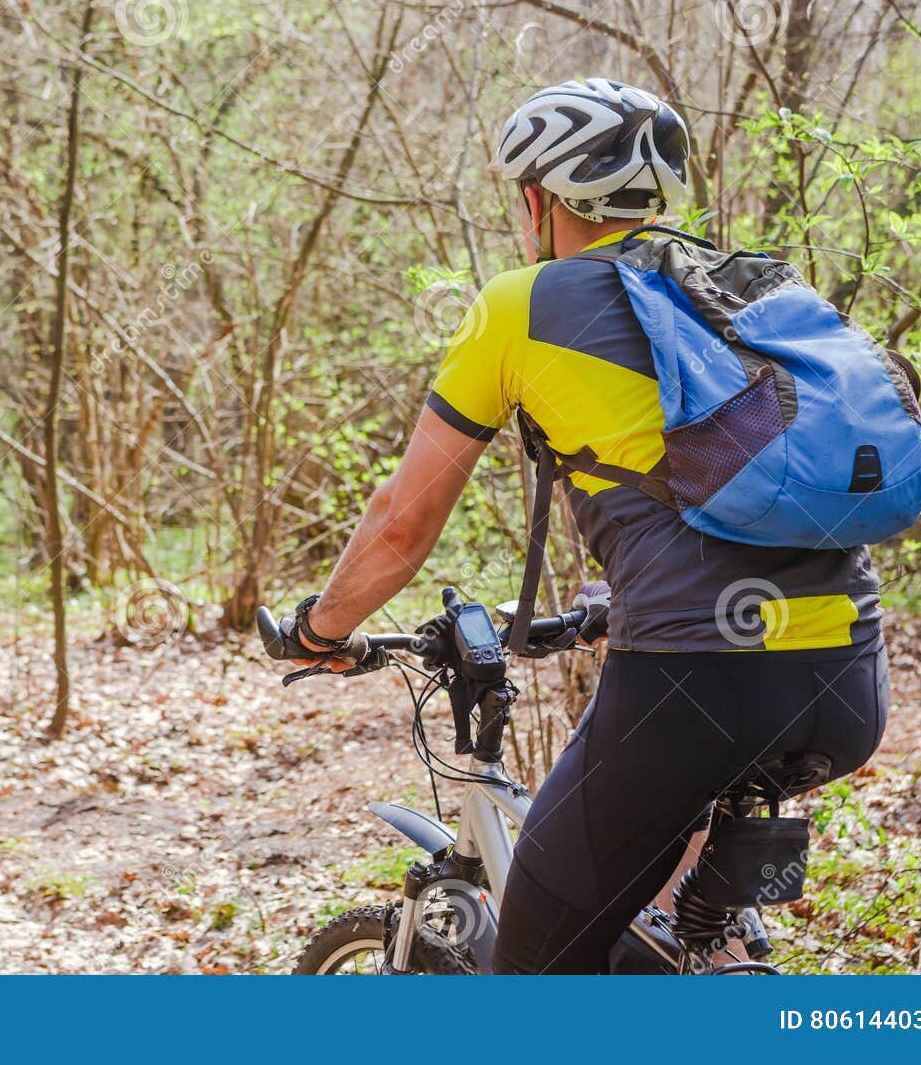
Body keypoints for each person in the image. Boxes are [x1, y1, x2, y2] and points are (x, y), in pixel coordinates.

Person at [274, 78, 889, 973]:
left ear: (537, 201)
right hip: (848, 680)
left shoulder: (522, 304)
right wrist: (615, 596)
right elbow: (737, 482)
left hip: (698, 682)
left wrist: (317, 630)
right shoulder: (740, 292)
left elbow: (403, 522)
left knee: (535, 971)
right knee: (663, 934)